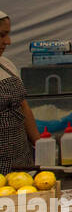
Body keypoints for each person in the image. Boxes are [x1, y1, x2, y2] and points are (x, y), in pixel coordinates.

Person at [0, 10, 38, 173]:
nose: (8, 41)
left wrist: (40, 144)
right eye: (2, 35)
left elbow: (24, 107)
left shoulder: (6, 65)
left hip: (22, 162)